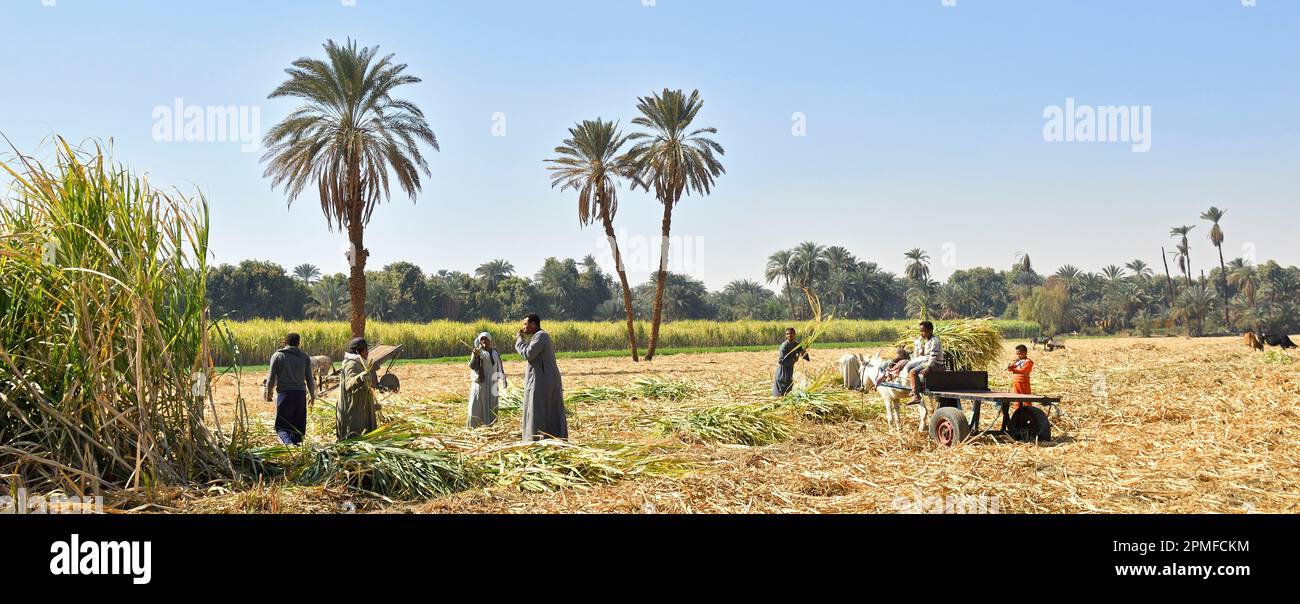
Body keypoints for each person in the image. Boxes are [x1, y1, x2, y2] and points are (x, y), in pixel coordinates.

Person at [515, 314, 567, 440]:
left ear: (533, 325)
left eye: (525, 324)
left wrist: (519, 341)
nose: (524, 327)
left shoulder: (541, 336)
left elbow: (529, 354)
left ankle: (541, 438)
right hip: (541, 379)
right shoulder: (536, 337)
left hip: (544, 380)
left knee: (539, 408)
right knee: (540, 408)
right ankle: (543, 438)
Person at [263, 333, 316, 445]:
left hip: (285, 395)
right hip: (301, 395)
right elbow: (310, 379)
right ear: (298, 343)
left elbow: (271, 378)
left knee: (282, 426)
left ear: (285, 342)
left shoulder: (278, 356)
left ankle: (289, 446)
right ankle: (298, 447)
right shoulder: (304, 357)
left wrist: (269, 393)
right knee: (298, 427)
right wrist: (312, 395)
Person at [337, 337, 379, 441]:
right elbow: (349, 384)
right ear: (362, 351)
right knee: (355, 436)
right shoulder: (351, 364)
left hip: (362, 407)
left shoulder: (360, 363)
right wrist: (359, 378)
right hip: (354, 410)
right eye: (366, 349)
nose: (368, 352)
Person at [468, 331, 508, 428]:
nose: (484, 341)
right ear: (479, 341)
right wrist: (476, 356)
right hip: (481, 384)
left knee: (492, 403)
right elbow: (472, 366)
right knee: (478, 404)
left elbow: (499, 364)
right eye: (482, 339)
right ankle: (475, 426)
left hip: (493, 383)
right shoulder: (477, 351)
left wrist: (503, 379)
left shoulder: (495, 352)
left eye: (486, 338)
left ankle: (490, 425)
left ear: (490, 340)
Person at [904, 321, 944, 405]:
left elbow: (933, 356)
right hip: (928, 362)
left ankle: (916, 396)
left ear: (930, 331)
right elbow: (925, 354)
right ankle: (917, 387)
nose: (921, 333)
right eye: (920, 331)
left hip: (935, 364)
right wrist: (919, 347)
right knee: (909, 366)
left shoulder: (934, 341)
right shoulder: (927, 341)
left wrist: (928, 368)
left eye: (923, 331)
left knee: (913, 372)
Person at [772, 327, 810, 396]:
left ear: (794, 334)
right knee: (781, 393)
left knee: (788, 389)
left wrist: (804, 353)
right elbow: (781, 361)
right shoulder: (784, 346)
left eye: (791, 333)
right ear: (786, 336)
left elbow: (805, 356)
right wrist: (793, 360)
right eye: (788, 334)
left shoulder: (796, 345)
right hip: (782, 373)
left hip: (789, 372)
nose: (790, 335)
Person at [1007, 344, 1034, 411]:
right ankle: (1017, 414)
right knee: (1017, 399)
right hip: (1016, 382)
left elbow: (1023, 371)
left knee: (1026, 399)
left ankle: (1028, 413)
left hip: (1023, 382)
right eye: (1017, 354)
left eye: (1019, 354)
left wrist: (1013, 369)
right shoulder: (1017, 361)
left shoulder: (1028, 362)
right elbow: (1012, 367)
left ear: (1025, 353)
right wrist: (1009, 367)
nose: (1018, 355)